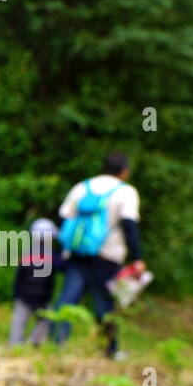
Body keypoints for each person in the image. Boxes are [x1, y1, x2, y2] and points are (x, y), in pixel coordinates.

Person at [52, 152, 144, 359]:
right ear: (124, 171)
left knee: (67, 300)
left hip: (76, 254)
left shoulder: (81, 187)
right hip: (107, 256)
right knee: (105, 305)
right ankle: (110, 350)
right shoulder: (126, 192)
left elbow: (64, 218)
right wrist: (137, 258)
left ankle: (56, 344)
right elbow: (130, 226)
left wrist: (64, 250)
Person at [8, 218, 62, 347]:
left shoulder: (26, 254)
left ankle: (15, 345)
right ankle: (35, 342)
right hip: (43, 297)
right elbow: (63, 267)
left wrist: (16, 294)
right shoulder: (53, 256)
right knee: (44, 321)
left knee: (19, 322)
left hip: (23, 295)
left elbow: (18, 276)